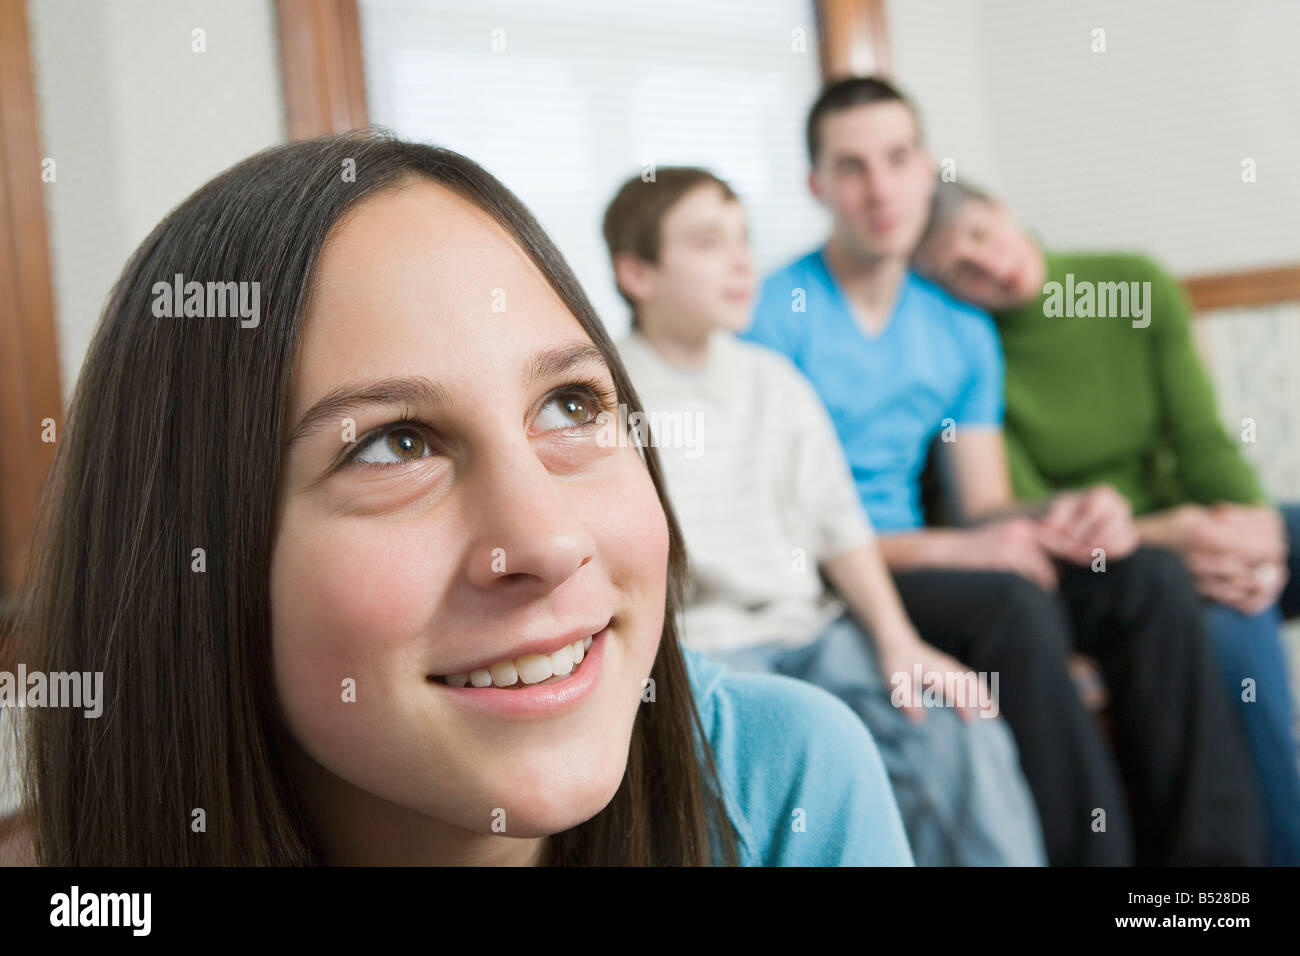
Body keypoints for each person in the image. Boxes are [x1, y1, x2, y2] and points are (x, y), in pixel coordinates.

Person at [1, 131, 913, 867]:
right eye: (395, 444)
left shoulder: (787, 781)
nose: (549, 543)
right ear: (187, 558)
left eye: (571, 405)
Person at [741, 75, 1264, 866]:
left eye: (898, 157)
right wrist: (956, 550)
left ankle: (1211, 884)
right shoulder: (773, 316)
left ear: (927, 169)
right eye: (851, 167)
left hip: (930, 554)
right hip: (838, 577)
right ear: (818, 186)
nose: (880, 189)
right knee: (1011, 603)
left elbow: (983, 503)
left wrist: (1071, 514)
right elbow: (781, 529)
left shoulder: (957, 325)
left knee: (1146, 575)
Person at [604, 166, 1046, 865]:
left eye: (744, 238)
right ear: (638, 273)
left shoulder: (773, 381)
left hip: (810, 629)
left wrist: (901, 645)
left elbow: (839, 524)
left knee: (958, 725)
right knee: (783, 764)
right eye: (708, 242)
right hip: (700, 652)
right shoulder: (606, 398)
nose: (742, 260)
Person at [913, 177, 1300, 865]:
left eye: (980, 233)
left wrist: (1254, 534)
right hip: (1116, 553)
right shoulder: (976, 351)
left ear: (1001, 207)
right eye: (958, 270)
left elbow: (1204, 439)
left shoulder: (1132, 283)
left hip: (1199, 519)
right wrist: (1174, 538)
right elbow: (1033, 514)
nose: (992, 266)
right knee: (1233, 630)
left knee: (1266, 558)